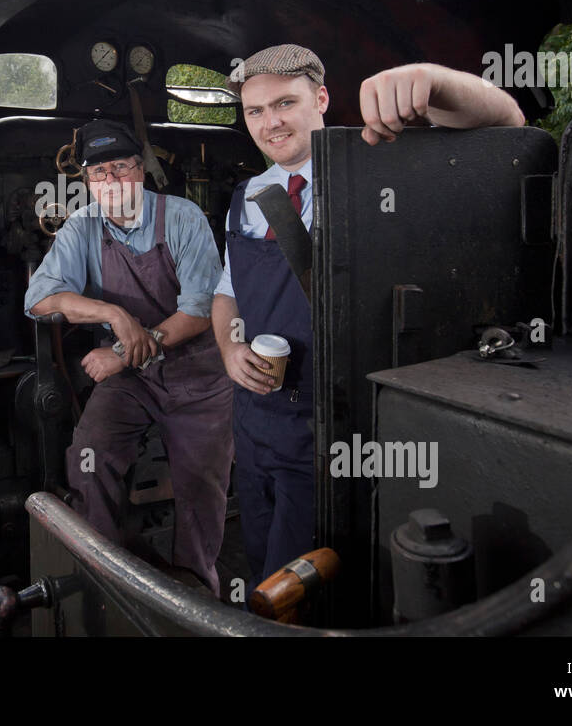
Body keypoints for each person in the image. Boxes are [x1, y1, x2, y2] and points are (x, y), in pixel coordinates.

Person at [211, 45, 525, 584]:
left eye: (285, 103)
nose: (271, 122)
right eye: (255, 111)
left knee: (304, 581)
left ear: (322, 97)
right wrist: (228, 348)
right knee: (261, 558)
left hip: (333, 421)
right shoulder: (249, 195)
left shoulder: (379, 165)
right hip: (256, 419)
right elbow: (226, 292)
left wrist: (432, 80)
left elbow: (509, 121)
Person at [24, 119, 235, 594]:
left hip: (196, 375)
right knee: (88, 457)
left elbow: (201, 311)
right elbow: (38, 299)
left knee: (202, 490)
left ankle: (196, 590)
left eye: (120, 168)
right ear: (88, 184)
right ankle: (107, 576)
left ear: (140, 172)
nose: (111, 182)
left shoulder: (181, 217)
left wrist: (125, 351)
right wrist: (112, 313)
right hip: (134, 381)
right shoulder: (83, 227)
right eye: (98, 174)